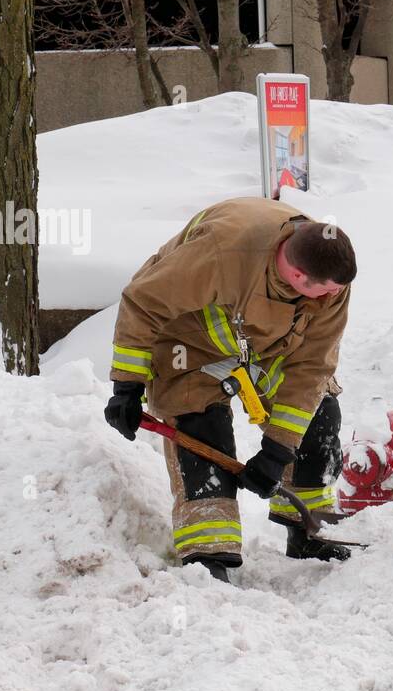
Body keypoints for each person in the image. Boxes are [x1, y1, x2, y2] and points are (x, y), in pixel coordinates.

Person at [103, 197, 357, 581]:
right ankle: (209, 558)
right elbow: (143, 303)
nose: (335, 297)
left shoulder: (331, 280)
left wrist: (276, 450)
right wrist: (127, 386)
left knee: (319, 416)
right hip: (187, 344)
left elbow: (311, 368)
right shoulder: (222, 252)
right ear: (300, 276)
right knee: (203, 433)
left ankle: (309, 531)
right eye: (328, 291)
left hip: (268, 346)